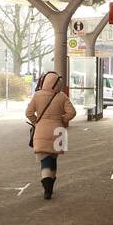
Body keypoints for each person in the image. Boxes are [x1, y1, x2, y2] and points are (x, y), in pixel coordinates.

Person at [25, 71, 76, 200]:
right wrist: (62, 120)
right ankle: (50, 187)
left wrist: (36, 121)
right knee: (53, 158)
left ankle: (47, 186)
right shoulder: (62, 96)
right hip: (58, 131)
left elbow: (29, 113)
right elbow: (72, 112)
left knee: (44, 159)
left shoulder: (37, 95)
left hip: (41, 130)